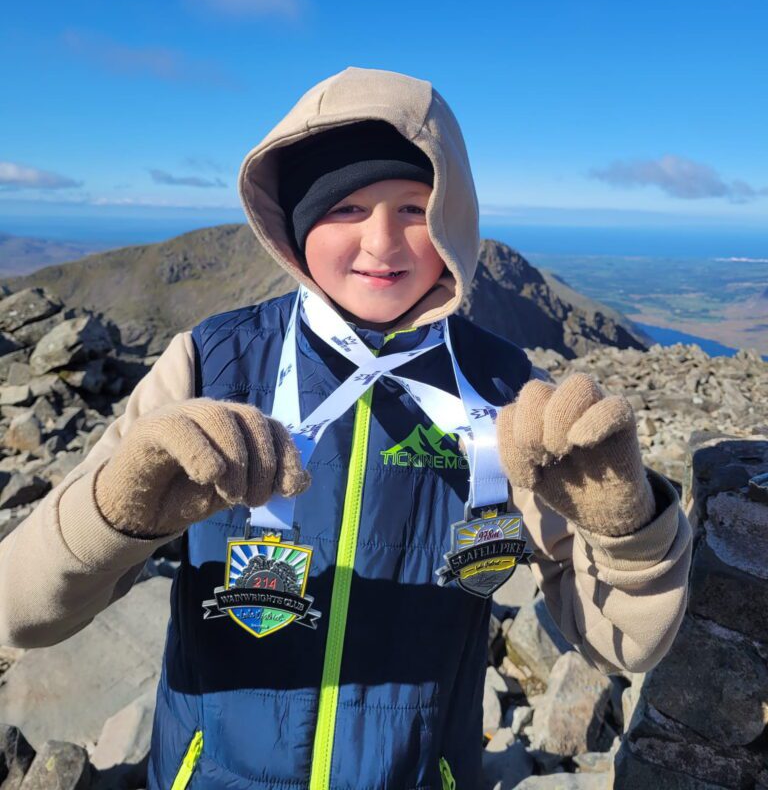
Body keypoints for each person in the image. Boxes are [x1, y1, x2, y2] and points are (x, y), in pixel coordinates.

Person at [0, 67, 692, 790]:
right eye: (346, 208)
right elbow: (18, 613)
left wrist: (625, 524)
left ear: (455, 218)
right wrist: (119, 509)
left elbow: (627, 646)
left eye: (415, 208)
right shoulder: (211, 363)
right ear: (296, 224)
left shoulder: (504, 391)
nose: (382, 242)